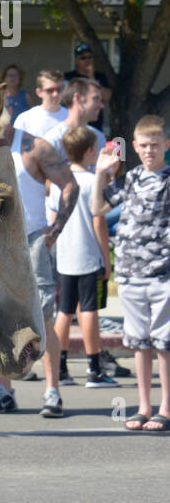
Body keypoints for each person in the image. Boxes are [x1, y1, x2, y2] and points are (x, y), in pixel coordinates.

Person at [0, 121, 78, 416]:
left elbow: (70, 184)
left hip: (31, 240)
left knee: (43, 316)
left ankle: (52, 392)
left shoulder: (35, 147)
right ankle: (4, 391)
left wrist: (56, 229)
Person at [93, 116, 170, 431]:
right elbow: (98, 208)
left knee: (164, 344)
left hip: (164, 274)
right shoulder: (133, 178)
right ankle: (143, 406)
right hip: (131, 274)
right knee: (139, 343)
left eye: (155, 145)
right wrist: (100, 174)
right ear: (135, 147)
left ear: (166, 145)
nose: (149, 151)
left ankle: (165, 407)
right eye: (143, 146)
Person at [46, 127, 113, 395]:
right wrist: (106, 259)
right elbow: (100, 223)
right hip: (88, 256)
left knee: (64, 311)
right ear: (89, 151)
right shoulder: (92, 181)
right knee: (89, 310)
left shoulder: (59, 182)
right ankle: (94, 367)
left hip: (64, 256)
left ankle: (60, 368)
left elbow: (52, 220)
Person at [43, 78, 106, 168]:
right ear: (78, 98)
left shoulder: (98, 137)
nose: (101, 105)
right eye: (95, 99)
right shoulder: (54, 139)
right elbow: (46, 179)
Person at [64, 43, 112, 131]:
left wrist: (92, 77)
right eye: (83, 58)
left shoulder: (100, 77)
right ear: (76, 60)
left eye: (90, 57)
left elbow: (107, 97)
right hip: (75, 124)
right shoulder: (69, 77)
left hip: (95, 125)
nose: (87, 60)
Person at [13, 69, 69, 138]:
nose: (55, 94)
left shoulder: (71, 117)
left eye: (59, 90)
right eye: (50, 90)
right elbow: (17, 148)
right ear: (39, 92)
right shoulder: (24, 119)